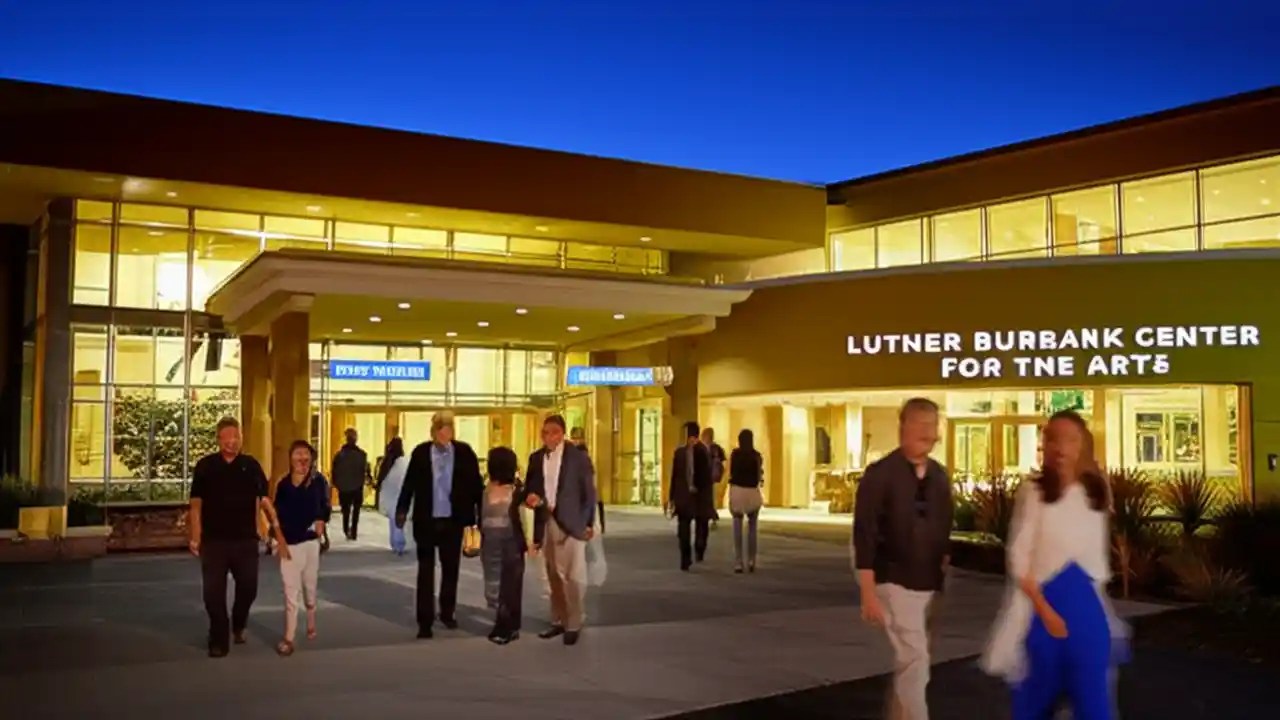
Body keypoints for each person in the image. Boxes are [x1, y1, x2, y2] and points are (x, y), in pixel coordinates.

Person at [982, 410, 1128, 719]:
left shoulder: (1096, 490)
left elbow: (1098, 558)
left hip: (1087, 609)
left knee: (1093, 702)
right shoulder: (1034, 492)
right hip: (1043, 607)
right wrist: (1046, 612)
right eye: (1053, 439)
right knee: (1035, 700)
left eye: (1070, 440)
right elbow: (1018, 556)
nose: (1061, 448)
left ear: (1083, 445)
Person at [853, 397, 954, 720]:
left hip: (929, 584)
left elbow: (943, 531)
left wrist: (941, 579)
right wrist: (868, 592)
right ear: (903, 426)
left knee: (912, 661)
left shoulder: (939, 477)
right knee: (915, 660)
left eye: (932, 425)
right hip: (894, 580)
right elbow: (864, 536)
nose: (927, 432)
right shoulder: (880, 475)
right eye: (920, 424)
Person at [189, 417, 286, 658]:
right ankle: (218, 639)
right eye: (227, 437)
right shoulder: (205, 466)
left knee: (249, 588)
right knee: (213, 594)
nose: (232, 441)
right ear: (218, 439)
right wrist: (195, 535)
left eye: (236, 437)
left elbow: (265, 500)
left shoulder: (250, 465)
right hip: (214, 541)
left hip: (245, 540)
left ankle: (239, 623)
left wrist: (275, 530)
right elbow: (196, 505)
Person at [395, 411, 483, 639]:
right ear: (433, 431)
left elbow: (476, 485)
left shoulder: (464, 453)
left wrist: (479, 517)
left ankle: (447, 611)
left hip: (453, 520)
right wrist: (402, 509)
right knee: (425, 570)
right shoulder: (421, 453)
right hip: (426, 520)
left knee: (450, 568)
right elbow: (409, 483)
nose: (445, 433)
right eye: (441, 429)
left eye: (449, 429)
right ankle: (424, 621)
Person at [525, 414, 598, 646]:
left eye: (553, 432)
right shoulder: (536, 458)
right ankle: (558, 620)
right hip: (547, 519)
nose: (548, 437)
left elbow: (589, 493)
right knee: (553, 575)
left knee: (572, 576)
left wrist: (588, 523)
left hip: (572, 522)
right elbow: (530, 487)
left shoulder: (578, 458)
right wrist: (531, 498)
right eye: (544, 432)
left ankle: (573, 623)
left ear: (562, 434)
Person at [270, 440, 330, 656]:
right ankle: (289, 636)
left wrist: (322, 519)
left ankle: (311, 617)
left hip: (310, 542)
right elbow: (275, 514)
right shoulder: (283, 485)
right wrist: (277, 541)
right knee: (290, 591)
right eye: (297, 454)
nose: (302, 459)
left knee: (310, 585)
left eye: (306, 455)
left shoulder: (318, 481)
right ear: (290, 458)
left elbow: (325, 504)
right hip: (289, 544)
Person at [481, 446, 531, 645]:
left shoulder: (517, 490)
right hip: (491, 544)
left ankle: (507, 626)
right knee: (494, 584)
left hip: (511, 543)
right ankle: (505, 622)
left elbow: (524, 518)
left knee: (510, 586)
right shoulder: (486, 488)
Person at [668, 421, 714, 571]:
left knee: (684, 528)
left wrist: (671, 497)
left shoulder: (680, 452)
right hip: (700, 497)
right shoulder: (704, 451)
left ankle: (685, 558)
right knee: (701, 524)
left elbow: (674, 476)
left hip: (683, 497)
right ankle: (699, 549)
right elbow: (708, 477)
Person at [728, 429, 764, 574]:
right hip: (751, 491)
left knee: (737, 526)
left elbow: (731, 472)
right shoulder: (757, 456)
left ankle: (738, 561)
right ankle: (751, 560)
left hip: (738, 491)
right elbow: (758, 476)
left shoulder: (735, 454)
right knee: (752, 527)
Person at [332, 428, 369, 541]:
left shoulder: (339, 455)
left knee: (346, 510)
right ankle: (354, 532)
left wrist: (336, 483)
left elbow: (335, 471)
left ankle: (346, 529)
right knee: (356, 511)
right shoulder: (362, 455)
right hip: (357, 486)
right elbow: (365, 470)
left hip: (344, 487)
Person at [378, 442, 413, 556]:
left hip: (390, 495)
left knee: (394, 520)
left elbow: (381, 479)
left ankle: (396, 542)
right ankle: (401, 542)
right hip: (402, 494)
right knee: (403, 518)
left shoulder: (387, 463)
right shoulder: (404, 462)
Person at [570, 426, 605, 534]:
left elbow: (589, 490)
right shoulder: (575, 455)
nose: (575, 441)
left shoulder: (582, 457)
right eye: (573, 438)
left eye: (578, 438)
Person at [702, 427, 726, 527]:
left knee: (707, 498)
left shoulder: (701, 448)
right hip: (713, 477)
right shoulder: (717, 448)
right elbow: (723, 461)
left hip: (706, 477)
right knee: (711, 498)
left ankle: (710, 516)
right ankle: (711, 516)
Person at [374, 431, 403, 509]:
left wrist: (378, 485)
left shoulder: (388, 459)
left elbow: (383, 474)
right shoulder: (402, 460)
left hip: (387, 488)